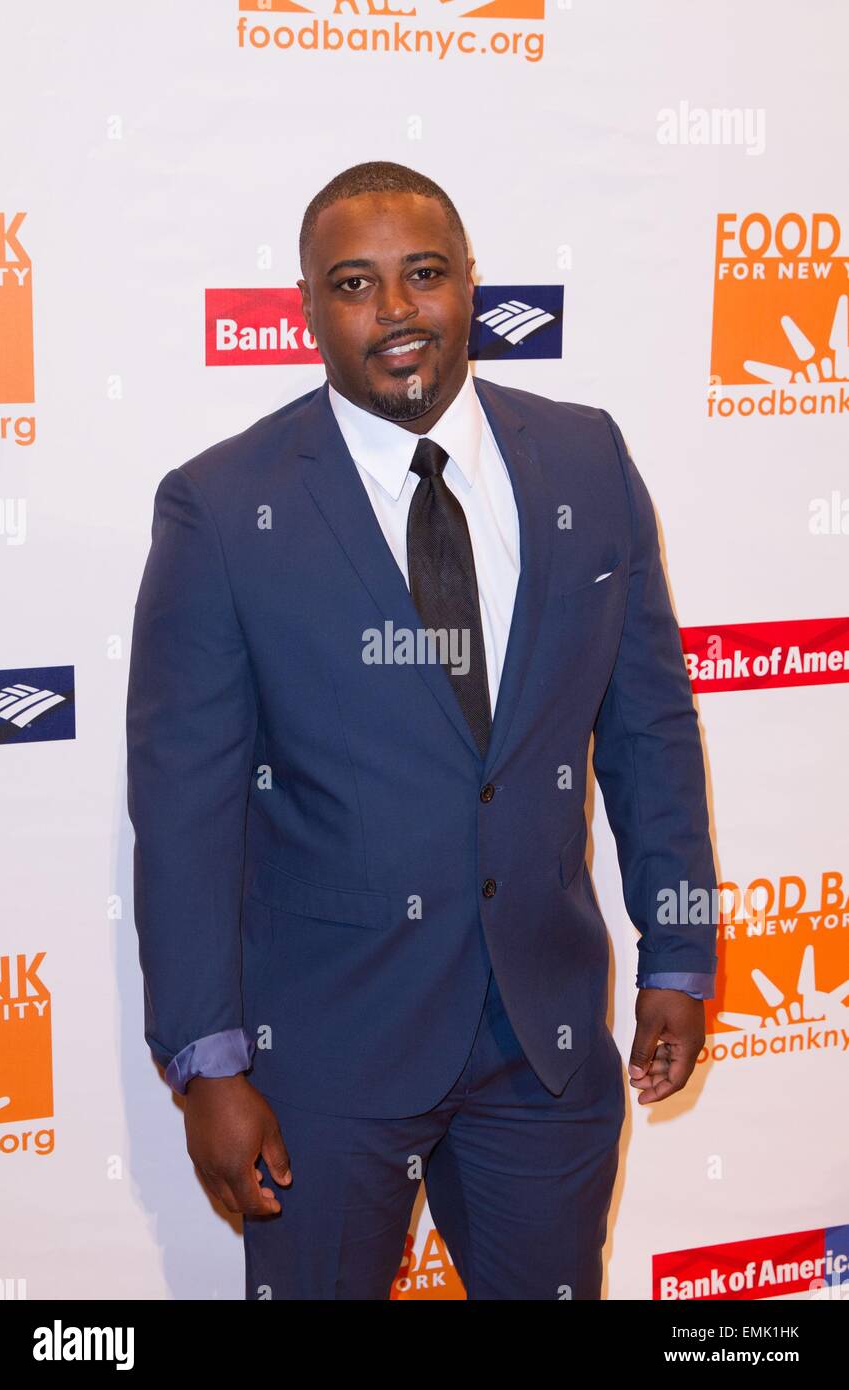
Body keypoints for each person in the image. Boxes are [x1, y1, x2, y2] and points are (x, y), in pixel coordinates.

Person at [126, 160, 718, 1301]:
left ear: (470, 288)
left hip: (541, 1046)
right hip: (322, 1061)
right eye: (354, 282)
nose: (396, 311)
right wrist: (206, 1063)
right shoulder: (222, 509)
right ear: (305, 309)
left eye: (424, 274)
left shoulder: (585, 461)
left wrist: (679, 949)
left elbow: (647, 725)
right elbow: (185, 808)